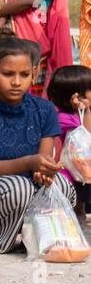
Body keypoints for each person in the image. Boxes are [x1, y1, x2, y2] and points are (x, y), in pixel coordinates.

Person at [0, 37, 72, 253]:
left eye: (24, 75)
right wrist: (31, 163)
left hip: (25, 193)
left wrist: (45, 172)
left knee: (62, 186)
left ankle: (34, 234)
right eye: (8, 74)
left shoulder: (45, 110)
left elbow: (42, 162)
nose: (17, 82)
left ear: (34, 73)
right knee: (19, 187)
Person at [45, 64, 91, 220]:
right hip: (72, 172)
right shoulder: (64, 118)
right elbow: (87, 132)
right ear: (77, 97)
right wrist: (86, 110)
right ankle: (78, 210)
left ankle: (81, 210)